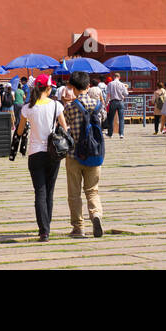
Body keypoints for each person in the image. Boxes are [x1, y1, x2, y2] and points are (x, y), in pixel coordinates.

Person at [16, 74, 67, 241]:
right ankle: (47, 226)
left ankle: (43, 230)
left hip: (35, 153)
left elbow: (20, 131)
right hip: (53, 153)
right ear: (48, 88)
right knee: (49, 192)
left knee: (40, 191)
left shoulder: (28, 108)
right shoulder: (56, 105)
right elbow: (64, 129)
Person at [61, 71, 105, 238]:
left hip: (74, 155)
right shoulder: (98, 106)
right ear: (88, 86)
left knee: (74, 193)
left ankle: (78, 227)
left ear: (72, 87)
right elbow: (104, 120)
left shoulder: (70, 108)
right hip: (95, 154)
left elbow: (64, 127)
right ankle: (96, 215)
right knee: (92, 190)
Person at [103, 72, 127, 139]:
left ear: (114, 77)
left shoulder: (110, 84)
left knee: (111, 119)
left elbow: (108, 95)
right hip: (120, 102)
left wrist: (106, 103)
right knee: (121, 119)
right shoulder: (122, 84)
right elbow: (126, 94)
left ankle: (110, 134)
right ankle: (121, 134)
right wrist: (122, 95)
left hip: (113, 102)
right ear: (119, 77)